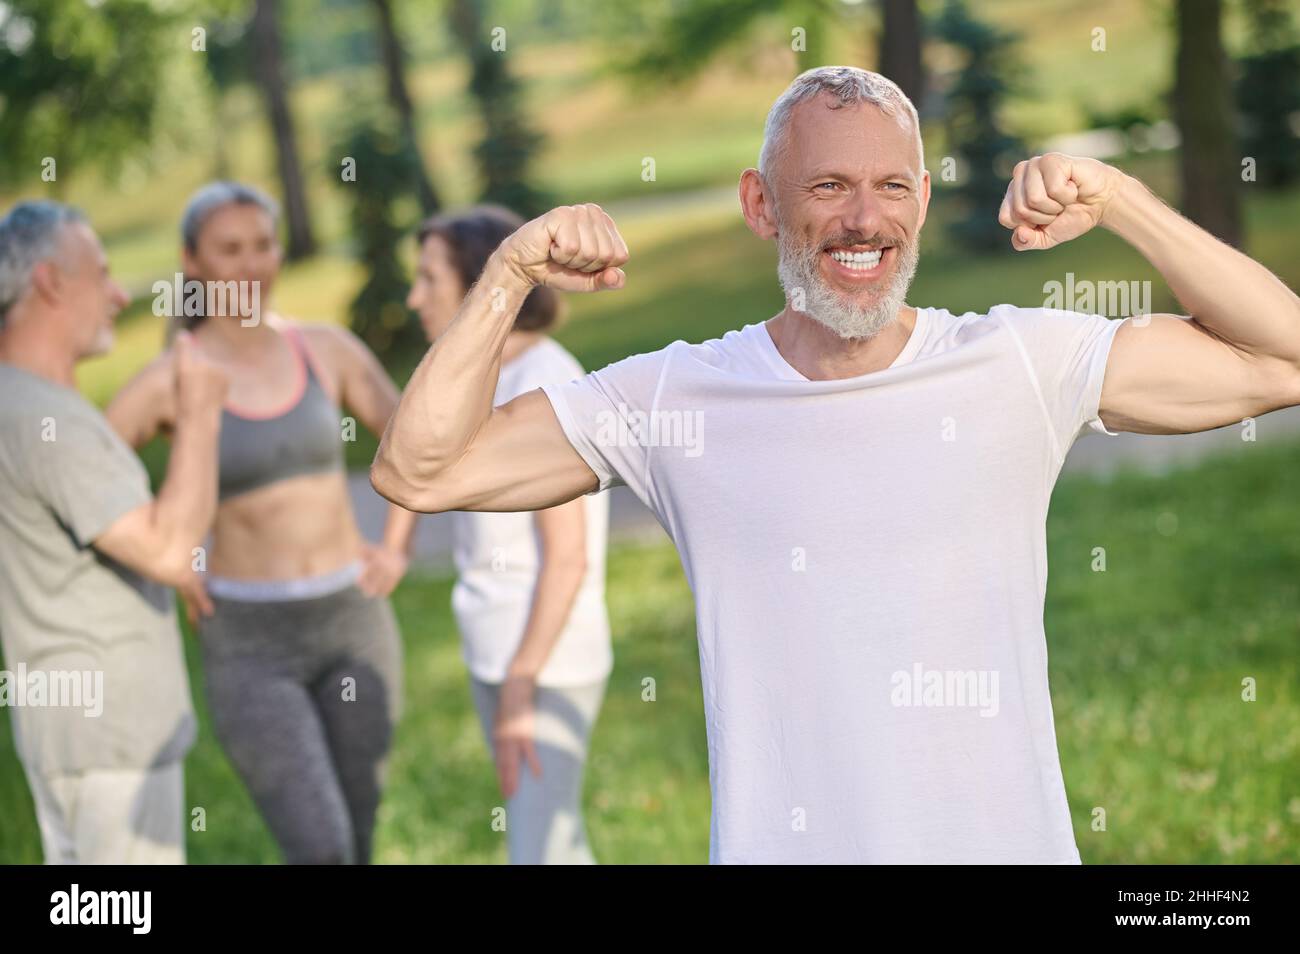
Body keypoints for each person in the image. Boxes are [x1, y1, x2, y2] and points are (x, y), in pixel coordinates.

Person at [373, 65, 1300, 864]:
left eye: (892, 187)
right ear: (759, 204)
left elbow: (1282, 357)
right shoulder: (671, 398)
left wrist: (1120, 200)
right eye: (826, 187)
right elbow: (422, 472)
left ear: (924, 199)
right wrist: (506, 275)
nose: (865, 220)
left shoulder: (1019, 361)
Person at [107, 182, 420, 864]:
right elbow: (91, 475)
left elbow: (415, 442)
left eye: (263, 244)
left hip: (353, 619)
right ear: (193, 261)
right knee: (322, 847)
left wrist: (396, 546)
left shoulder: (326, 350)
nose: (251, 264)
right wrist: (172, 557)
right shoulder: (173, 378)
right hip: (249, 642)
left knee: (359, 835)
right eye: (230, 249)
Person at [0, 200, 227, 863]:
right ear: (49, 282)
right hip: (112, 742)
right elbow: (164, 547)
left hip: (66, 736)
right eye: (101, 273)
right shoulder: (47, 419)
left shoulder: (24, 405)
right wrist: (201, 411)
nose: (120, 294)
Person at [406, 206, 613, 864]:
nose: (415, 298)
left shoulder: (544, 380)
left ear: (480, 284)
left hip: (543, 667)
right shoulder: (488, 374)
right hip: (501, 654)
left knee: (540, 849)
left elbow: (569, 558)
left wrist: (522, 685)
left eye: (429, 279)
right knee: (550, 841)